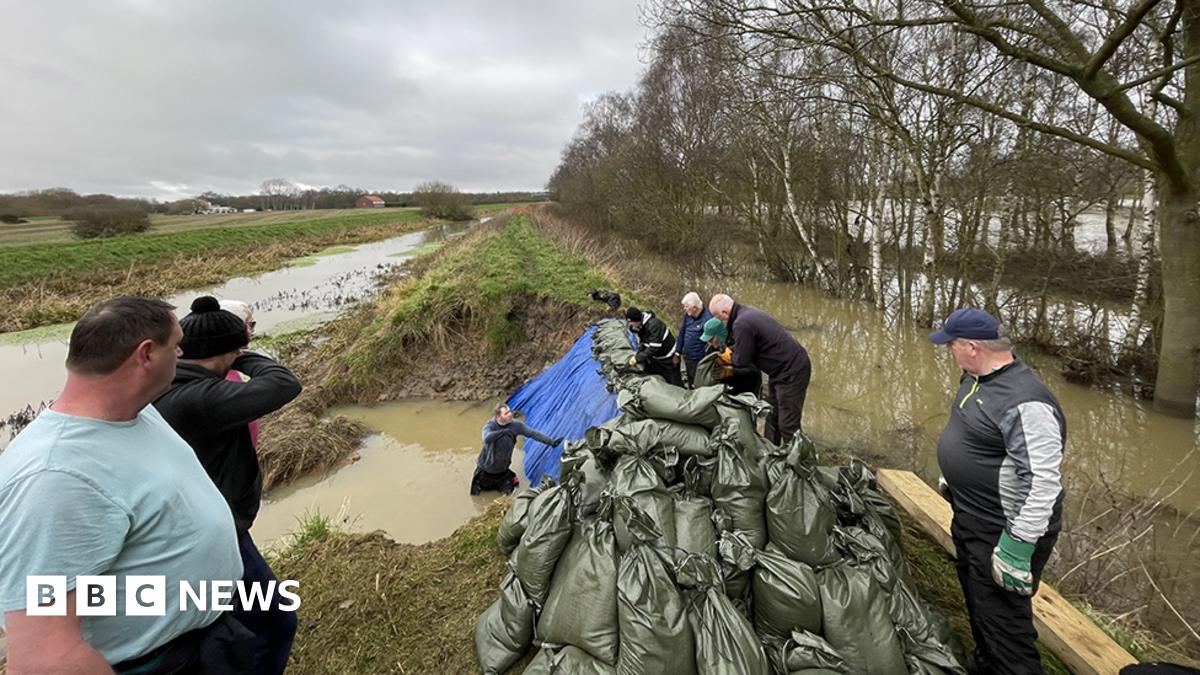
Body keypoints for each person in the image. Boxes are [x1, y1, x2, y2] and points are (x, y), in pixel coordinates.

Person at [0, 296, 247, 673]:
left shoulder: (134, 413)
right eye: (176, 344)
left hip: (204, 637)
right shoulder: (55, 479)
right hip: (159, 662)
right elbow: (46, 656)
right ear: (146, 355)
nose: (182, 353)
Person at [153, 295, 303, 675]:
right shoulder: (201, 398)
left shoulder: (170, 385)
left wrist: (228, 350)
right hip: (215, 534)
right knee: (275, 621)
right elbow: (284, 383)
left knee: (223, 624)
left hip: (197, 529)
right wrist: (241, 351)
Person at [930, 308, 1066, 675]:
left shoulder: (1026, 402)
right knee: (979, 603)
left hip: (1002, 531)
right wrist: (951, 478)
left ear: (972, 347)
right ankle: (985, 664)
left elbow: (1042, 482)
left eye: (952, 345)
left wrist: (1017, 546)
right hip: (971, 515)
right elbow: (972, 436)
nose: (949, 352)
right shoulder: (976, 377)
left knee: (1004, 623)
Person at [708, 293, 811, 444]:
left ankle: (800, 461)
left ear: (724, 313)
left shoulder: (741, 324)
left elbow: (742, 361)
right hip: (778, 370)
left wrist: (729, 358)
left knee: (788, 424)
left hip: (792, 371)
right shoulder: (746, 313)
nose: (719, 321)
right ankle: (771, 452)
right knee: (772, 416)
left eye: (718, 317)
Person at [471, 403, 561, 495]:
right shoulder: (490, 426)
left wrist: (551, 442)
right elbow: (486, 438)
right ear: (498, 417)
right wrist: (504, 432)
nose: (510, 414)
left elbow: (533, 434)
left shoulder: (516, 426)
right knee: (477, 495)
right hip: (485, 471)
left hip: (503, 471)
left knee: (510, 494)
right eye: (506, 413)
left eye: (510, 411)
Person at [220, 298, 260, 447]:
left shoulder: (233, 365)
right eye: (249, 324)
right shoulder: (224, 375)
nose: (251, 331)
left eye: (253, 324)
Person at [699, 316, 762, 397]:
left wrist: (732, 371)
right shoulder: (712, 349)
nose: (710, 343)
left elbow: (754, 371)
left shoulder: (740, 344)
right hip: (729, 389)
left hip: (749, 389)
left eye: (711, 339)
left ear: (720, 334)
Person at [625, 306, 682, 386]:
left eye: (631, 322)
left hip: (669, 357)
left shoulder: (654, 326)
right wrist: (639, 353)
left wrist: (637, 358)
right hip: (657, 357)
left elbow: (653, 348)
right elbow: (643, 342)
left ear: (637, 320)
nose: (630, 325)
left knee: (673, 381)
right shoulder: (640, 326)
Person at [676, 292, 713, 388]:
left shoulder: (708, 319)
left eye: (686, 306)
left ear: (695, 308)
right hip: (687, 356)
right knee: (690, 379)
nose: (684, 308)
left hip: (699, 359)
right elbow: (682, 333)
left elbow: (713, 343)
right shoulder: (688, 315)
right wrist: (677, 352)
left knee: (698, 383)